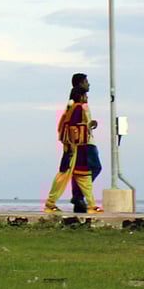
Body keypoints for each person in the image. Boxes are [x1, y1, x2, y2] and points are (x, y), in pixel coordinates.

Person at [45, 85, 103, 214]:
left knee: (84, 177)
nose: (87, 97)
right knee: (65, 175)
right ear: (81, 96)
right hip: (74, 148)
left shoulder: (72, 108)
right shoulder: (77, 108)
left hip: (79, 148)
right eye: (85, 95)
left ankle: (92, 205)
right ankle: (50, 203)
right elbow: (72, 127)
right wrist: (72, 144)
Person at [65, 74, 103, 212]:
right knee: (94, 167)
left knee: (81, 170)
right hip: (84, 141)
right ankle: (79, 194)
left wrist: (90, 124)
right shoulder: (77, 104)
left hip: (85, 139)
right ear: (81, 83)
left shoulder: (82, 103)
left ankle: (78, 199)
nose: (89, 84)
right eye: (87, 82)